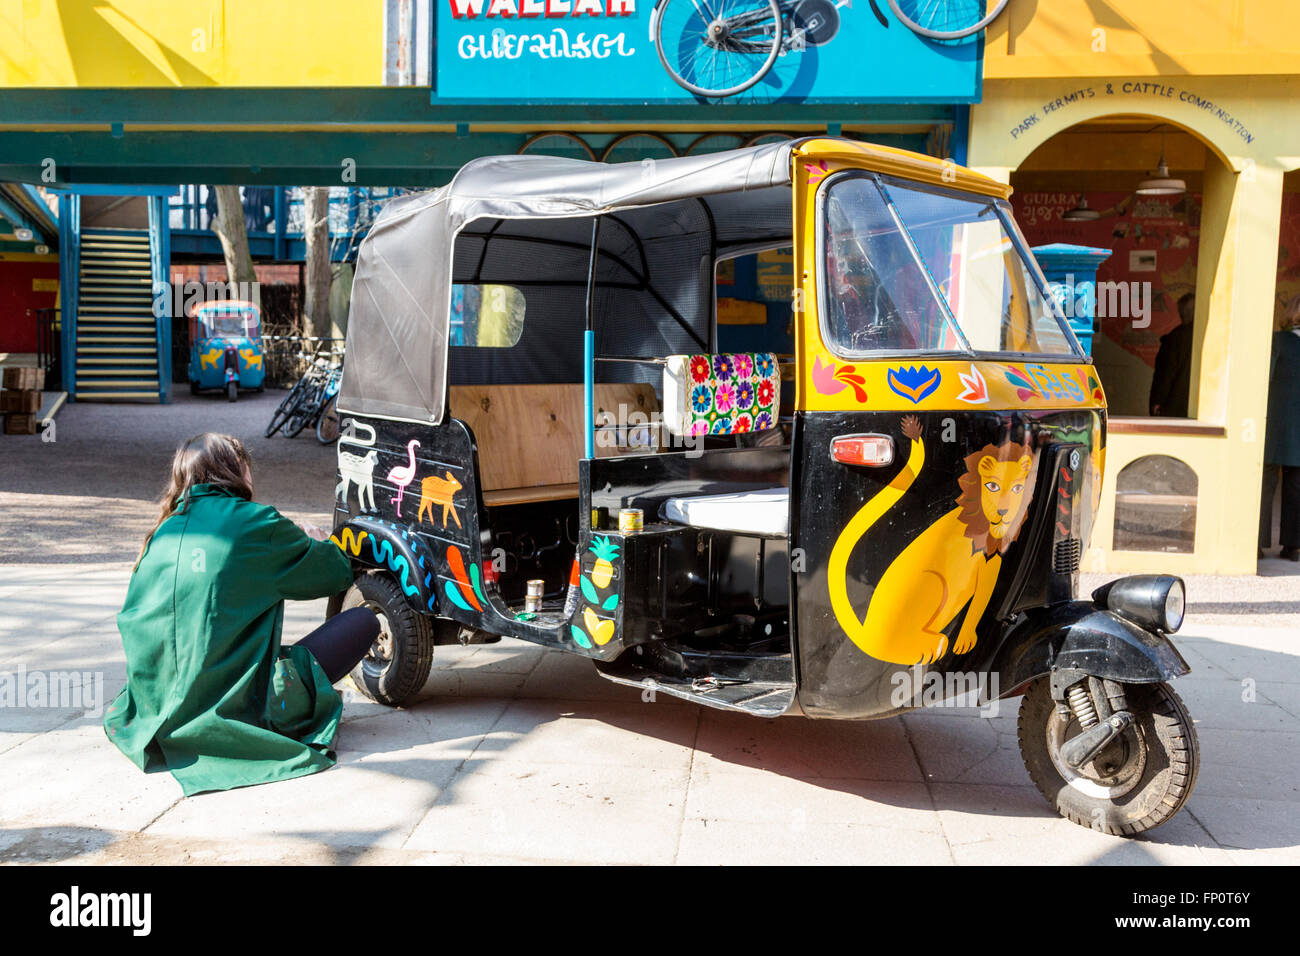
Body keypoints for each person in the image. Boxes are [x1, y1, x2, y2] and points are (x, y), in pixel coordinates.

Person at [103, 433, 378, 795]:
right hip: (231, 709)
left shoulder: (163, 531)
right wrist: (315, 541)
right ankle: (272, 711)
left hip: (153, 705)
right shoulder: (255, 522)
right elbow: (333, 573)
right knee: (363, 621)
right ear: (236, 470)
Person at [1260, 312, 1300, 560]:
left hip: (1274, 421)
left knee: (1265, 483)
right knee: (1296, 485)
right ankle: (1293, 546)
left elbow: (1265, 376)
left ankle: (1257, 543)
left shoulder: (1277, 340)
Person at [1149, 292, 1196, 417]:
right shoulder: (1205, 336)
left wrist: (1158, 402)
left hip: (1173, 408)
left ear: (1181, 314)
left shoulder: (1174, 339)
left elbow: (1165, 373)